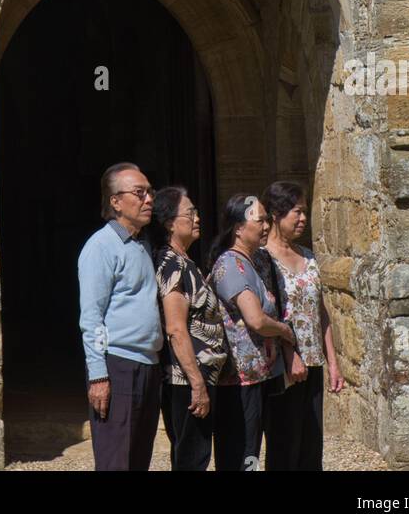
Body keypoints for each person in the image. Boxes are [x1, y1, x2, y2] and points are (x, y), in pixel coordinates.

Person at [78, 162, 163, 471]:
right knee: (116, 462)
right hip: (117, 365)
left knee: (139, 460)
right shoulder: (101, 247)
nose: (149, 199)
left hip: (148, 365)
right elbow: (91, 317)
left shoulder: (141, 244)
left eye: (150, 192)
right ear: (115, 201)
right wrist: (99, 374)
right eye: (139, 193)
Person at [209, 193, 297, 470]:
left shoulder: (250, 262)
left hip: (254, 378)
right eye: (259, 221)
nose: (266, 227)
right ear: (238, 228)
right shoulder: (231, 265)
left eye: (266, 220)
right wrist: (285, 331)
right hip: (239, 382)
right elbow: (256, 320)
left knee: (250, 455)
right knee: (241, 455)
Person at [262, 181, 345, 471]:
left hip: (313, 363)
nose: (303, 218)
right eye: (296, 212)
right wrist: (290, 353)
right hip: (282, 365)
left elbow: (320, 311)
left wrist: (332, 362)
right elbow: (267, 314)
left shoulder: (308, 256)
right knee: (285, 443)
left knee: (311, 443)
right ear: (276, 214)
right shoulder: (263, 258)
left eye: (304, 212)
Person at [149, 186, 231, 471]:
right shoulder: (172, 266)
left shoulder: (185, 262)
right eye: (191, 213)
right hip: (186, 380)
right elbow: (175, 329)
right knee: (191, 460)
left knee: (194, 457)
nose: (198, 218)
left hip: (199, 376)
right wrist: (197, 384)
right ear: (171, 222)